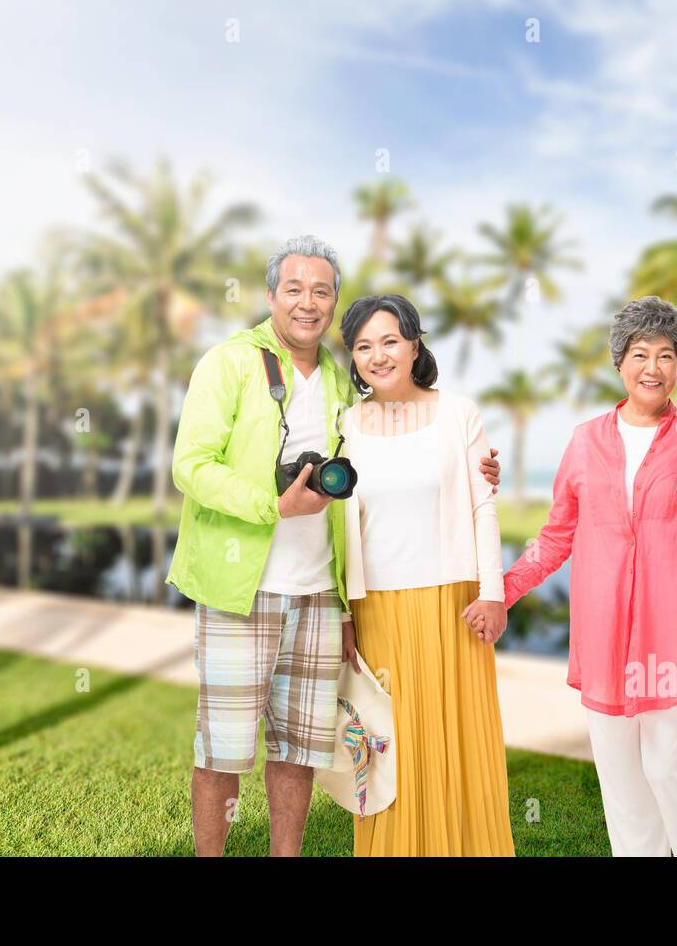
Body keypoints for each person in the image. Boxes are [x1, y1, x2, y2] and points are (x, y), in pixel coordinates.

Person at [168, 236, 500, 857]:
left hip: (321, 595)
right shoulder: (231, 362)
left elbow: (389, 468)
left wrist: (474, 472)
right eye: (293, 289)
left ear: (334, 302)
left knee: (301, 751)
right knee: (224, 749)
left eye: (321, 291)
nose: (307, 303)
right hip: (243, 586)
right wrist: (274, 504)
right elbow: (190, 465)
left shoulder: (344, 391)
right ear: (271, 296)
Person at [498, 296, 677, 857]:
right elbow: (556, 536)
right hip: (603, 642)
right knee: (622, 787)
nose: (653, 367)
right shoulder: (584, 441)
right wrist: (503, 590)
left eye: (667, 355)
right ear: (619, 361)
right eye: (640, 353)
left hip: (670, 636)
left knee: (676, 776)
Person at [340, 293, 515, 856]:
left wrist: (494, 594)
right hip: (379, 609)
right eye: (364, 346)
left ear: (415, 345)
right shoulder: (347, 423)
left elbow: (482, 504)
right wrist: (344, 610)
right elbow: (341, 529)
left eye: (391, 340)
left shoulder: (457, 412)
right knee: (388, 747)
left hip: (454, 602)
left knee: (457, 745)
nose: (379, 355)